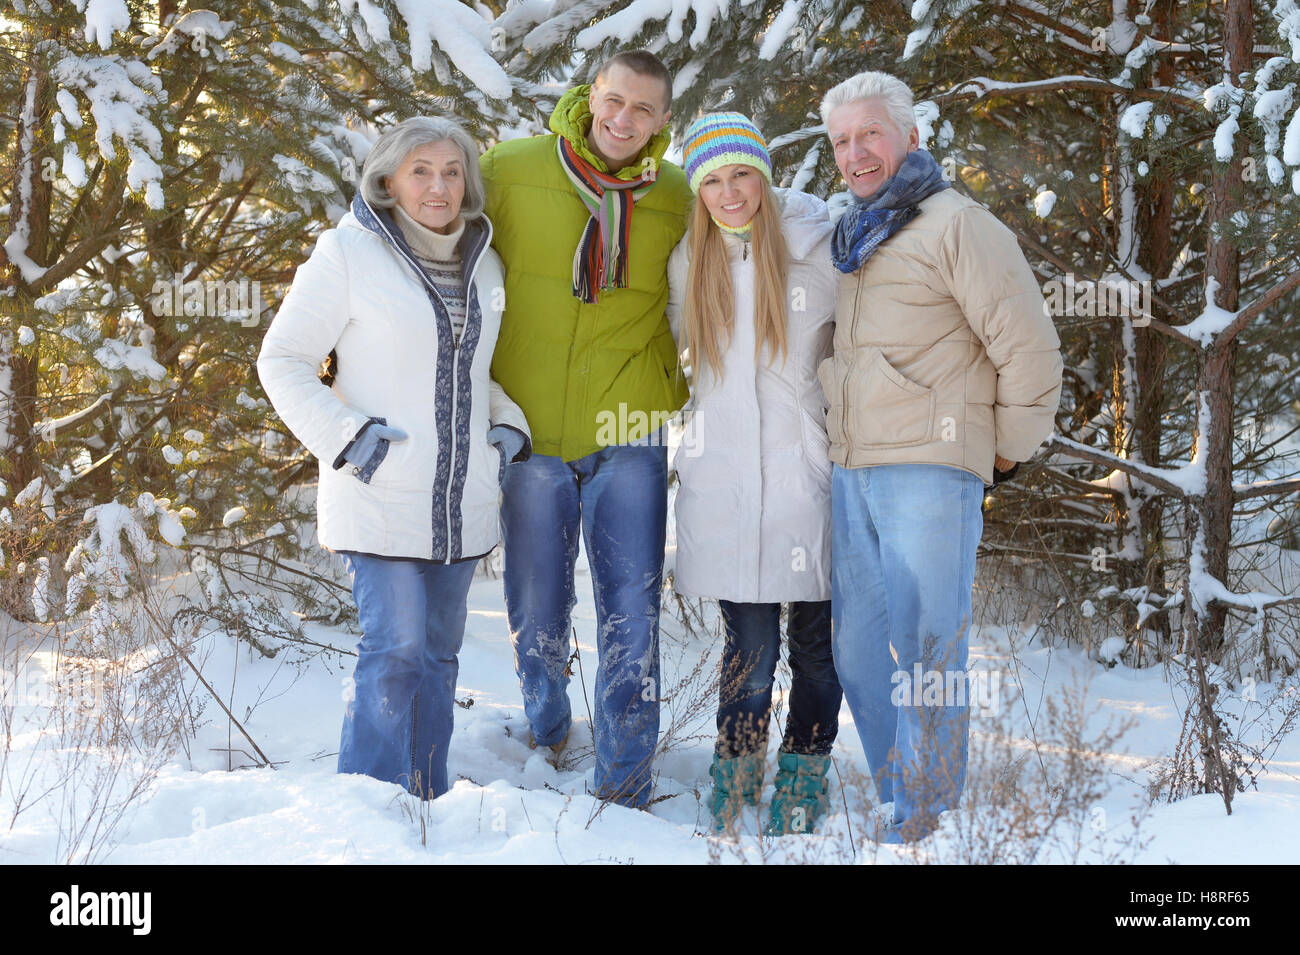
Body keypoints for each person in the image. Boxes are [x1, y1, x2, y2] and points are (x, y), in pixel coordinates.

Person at [818, 72, 1063, 842]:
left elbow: (1030, 347)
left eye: (871, 135)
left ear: (912, 138)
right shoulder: (852, 232)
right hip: (854, 465)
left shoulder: (958, 224)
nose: (855, 154)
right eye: (841, 141)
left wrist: (1007, 452)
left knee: (926, 646)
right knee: (857, 648)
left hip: (930, 464)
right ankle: (907, 788)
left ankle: (922, 814)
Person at [257, 116, 531, 800]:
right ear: (387, 179)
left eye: (451, 171)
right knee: (395, 651)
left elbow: (471, 372)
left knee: (438, 659)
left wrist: (506, 424)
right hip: (378, 491)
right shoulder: (347, 254)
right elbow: (281, 359)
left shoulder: (485, 261)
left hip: (460, 500)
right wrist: (349, 436)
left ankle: (426, 801)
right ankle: (369, 807)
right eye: (420, 171)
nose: (438, 186)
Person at [479, 49, 692, 808]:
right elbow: (431, 233)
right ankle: (548, 720)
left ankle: (626, 778)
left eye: (642, 109)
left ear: (664, 121)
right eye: (613, 100)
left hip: (627, 422)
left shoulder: (675, 195)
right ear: (589, 96)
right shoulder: (507, 169)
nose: (623, 119)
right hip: (531, 426)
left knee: (631, 608)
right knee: (535, 604)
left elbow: (725, 267)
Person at [665, 113, 843, 834]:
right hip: (729, 490)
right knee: (750, 652)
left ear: (765, 178)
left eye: (742, 174)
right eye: (711, 179)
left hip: (811, 481)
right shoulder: (687, 260)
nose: (729, 192)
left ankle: (803, 776)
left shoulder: (818, 249)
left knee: (815, 651)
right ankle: (734, 777)